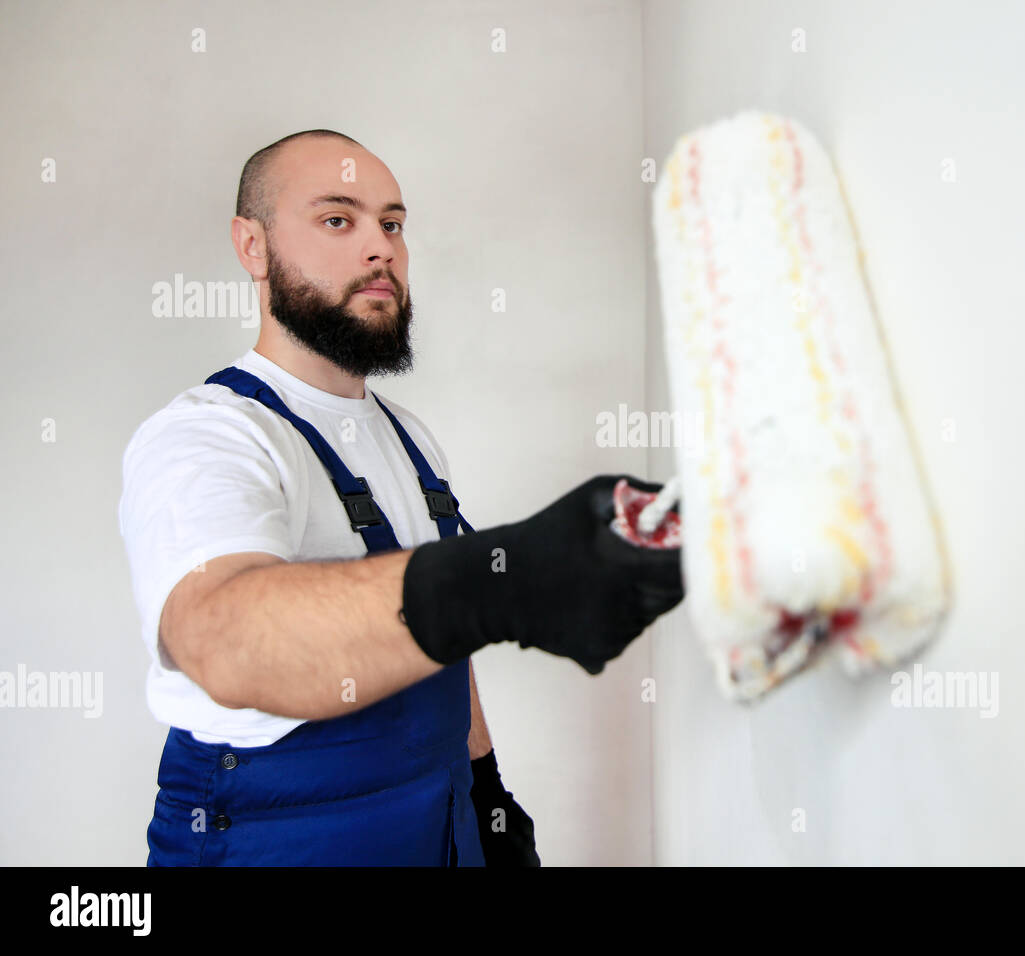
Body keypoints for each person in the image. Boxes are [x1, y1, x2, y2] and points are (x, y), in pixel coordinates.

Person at [117, 129, 684, 867]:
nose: (380, 247)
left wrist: (487, 790)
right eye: (337, 220)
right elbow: (220, 640)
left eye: (391, 223)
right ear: (251, 246)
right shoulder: (208, 436)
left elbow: (437, 657)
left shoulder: (410, 440)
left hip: (439, 824)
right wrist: (497, 584)